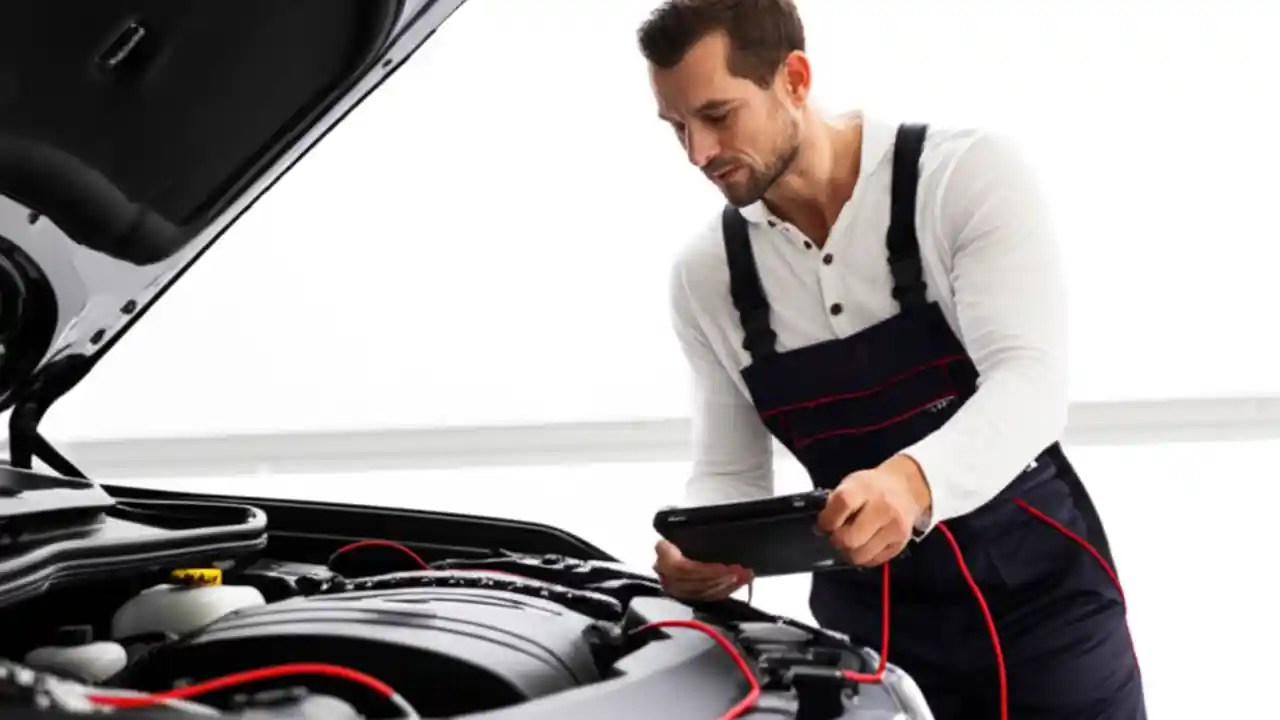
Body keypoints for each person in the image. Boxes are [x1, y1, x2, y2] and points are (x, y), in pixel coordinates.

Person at [637, 1, 1146, 718]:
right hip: (868, 639)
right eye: (677, 127)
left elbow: (1030, 386)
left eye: (719, 115)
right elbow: (730, 473)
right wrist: (702, 549)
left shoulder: (962, 178)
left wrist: (911, 482)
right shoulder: (707, 275)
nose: (698, 152)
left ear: (795, 79)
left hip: (1044, 612)